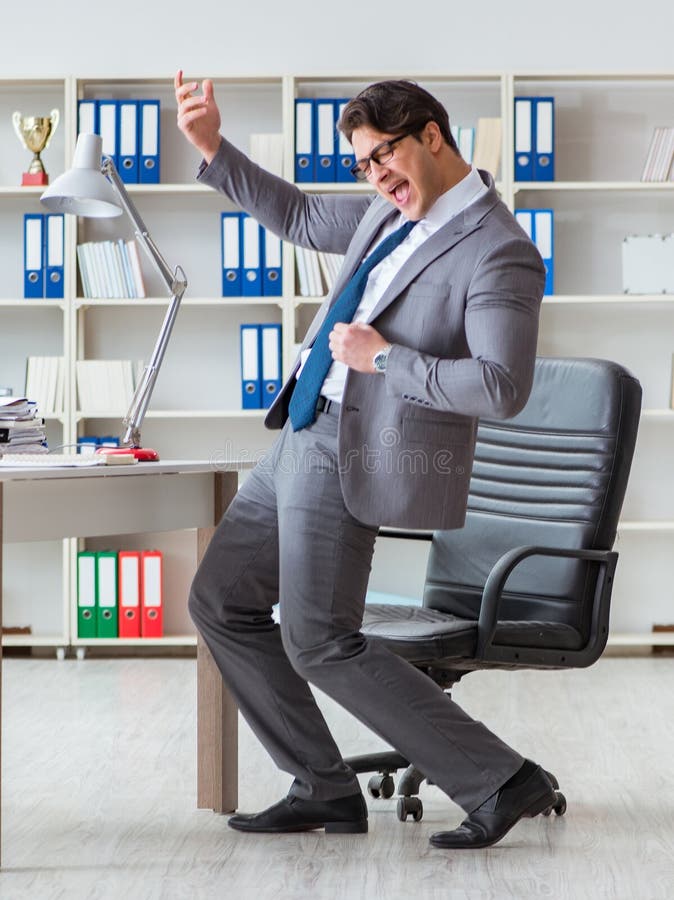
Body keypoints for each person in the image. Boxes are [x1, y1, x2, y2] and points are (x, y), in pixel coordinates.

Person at [175, 71, 554, 849]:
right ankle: (322, 786)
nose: (375, 176)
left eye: (384, 155)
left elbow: (501, 385)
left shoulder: (500, 250)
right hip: (301, 429)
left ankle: (500, 779)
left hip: (357, 447)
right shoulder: (388, 212)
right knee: (221, 600)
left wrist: (384, 359)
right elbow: (302, 215)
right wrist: (213, 148)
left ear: (432, 136)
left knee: (318, 638)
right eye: (362, 164)